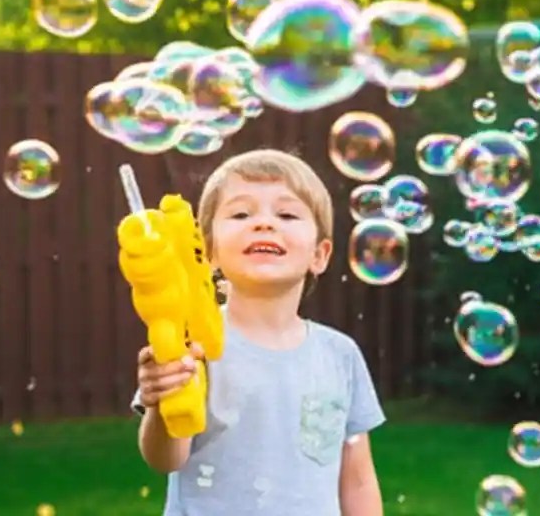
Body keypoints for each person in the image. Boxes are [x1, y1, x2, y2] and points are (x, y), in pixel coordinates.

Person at [130, 149, 386, 515]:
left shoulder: (340, 355)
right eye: (240, 214)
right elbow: (165, 459)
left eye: (286, 214)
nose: (264, 223)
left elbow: (358, 479)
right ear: (207, 251)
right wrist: (160, 404)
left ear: (320, 255)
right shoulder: (193, 344)